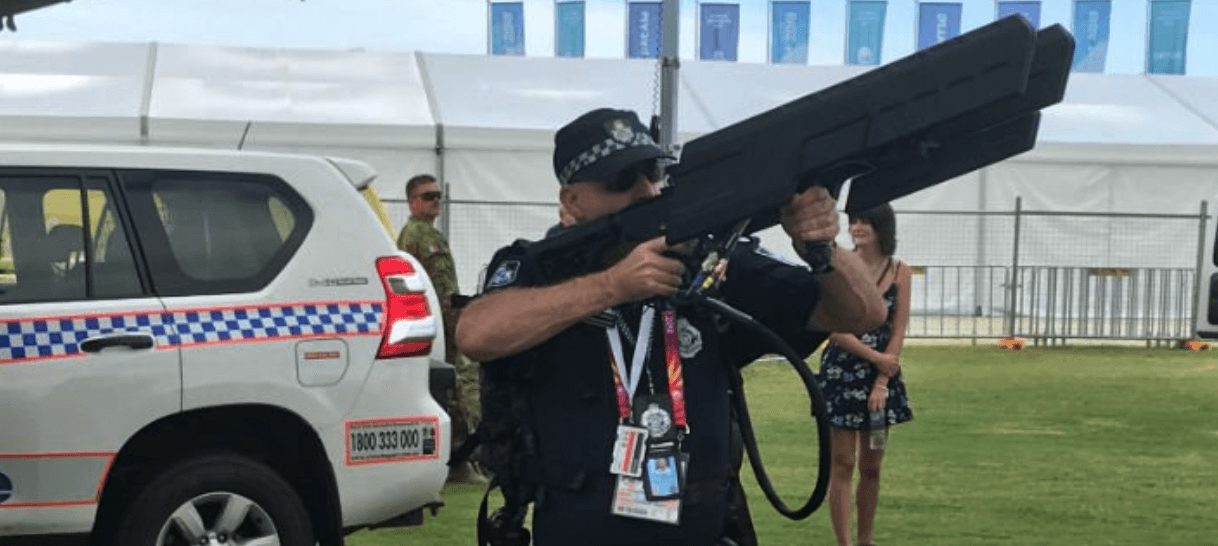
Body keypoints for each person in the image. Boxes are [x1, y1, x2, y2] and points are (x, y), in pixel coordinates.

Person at [456, 108, 887, 545]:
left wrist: (821, 247)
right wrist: (610, 287)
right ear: (571, 202)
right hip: (581, 525)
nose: (646, 191)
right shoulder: (537, 266)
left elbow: (863, 313)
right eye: (621, 180)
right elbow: (476, 333)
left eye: (652, 173)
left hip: (702, 526)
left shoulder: (709, 262)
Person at [817, 203, 914, 546]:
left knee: (872, 465)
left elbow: (898, 327)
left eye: (865, 222)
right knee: (842, 463)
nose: (857, 228)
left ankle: (866, 539)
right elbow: (833, 328)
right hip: (842, 373)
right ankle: (843, 542)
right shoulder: (838, 264)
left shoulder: (900, 271)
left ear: (881, 228)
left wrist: (883, 378)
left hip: (880, 381)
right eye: (854, 221)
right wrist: (875, 357)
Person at [395, 173, 484, 484]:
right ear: (412, 202)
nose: (435, 201)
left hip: (434, 323)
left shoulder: (414, 233)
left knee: (451, 388)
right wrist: (458, 324)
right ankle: (469, 456)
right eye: (428, 196)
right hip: (443, 325)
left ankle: (459, 460)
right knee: (464, 385)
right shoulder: (421, 235)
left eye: (437, 196)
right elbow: (440, 286)